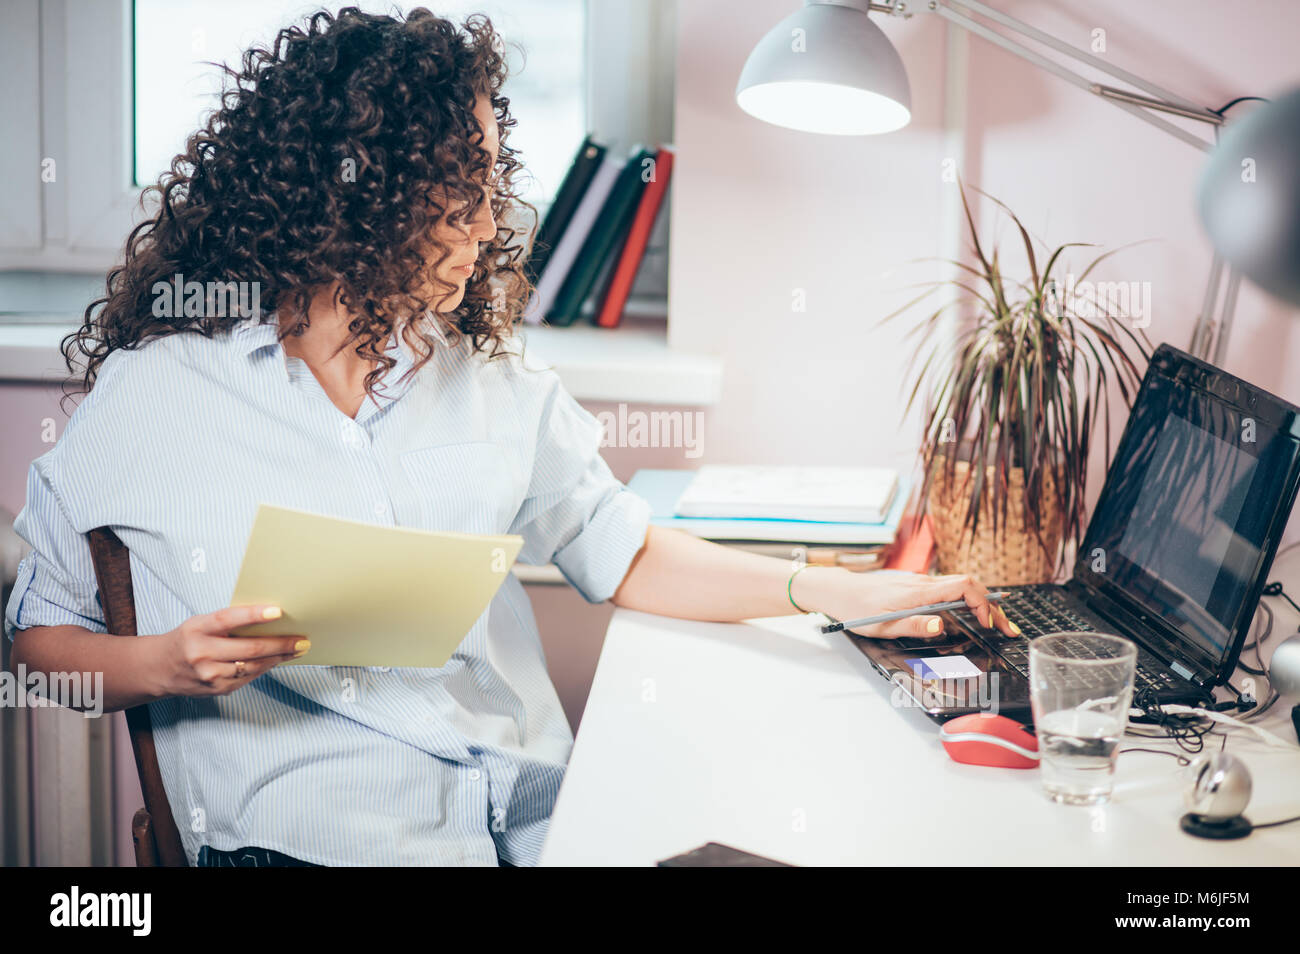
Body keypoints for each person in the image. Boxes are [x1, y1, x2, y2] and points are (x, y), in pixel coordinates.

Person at [3, 7, 1016, 867]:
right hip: (306, 842)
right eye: (463, 186)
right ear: (359, 191)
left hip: (519, 817)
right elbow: (37, 645)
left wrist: (837, 592)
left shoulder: (487, 379)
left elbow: (620, 547)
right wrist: (169, 661)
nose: (490, 225)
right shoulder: (161, 394)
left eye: (491, 183)